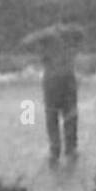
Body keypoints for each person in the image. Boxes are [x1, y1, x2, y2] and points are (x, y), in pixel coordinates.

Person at [21, 21, 85, 168]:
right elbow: (27, 42)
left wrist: (49, 34)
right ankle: (66, 148)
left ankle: (60, 148)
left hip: (57, 79)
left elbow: (26, 42)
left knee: (58, 115)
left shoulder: (53, 37)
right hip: (63, 79)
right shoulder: (69, 36)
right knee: (65, 115)